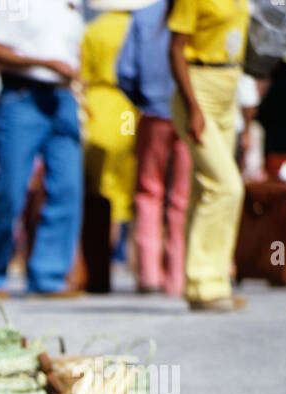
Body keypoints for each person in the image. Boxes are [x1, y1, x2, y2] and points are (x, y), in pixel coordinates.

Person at [0, 0, 86, 296]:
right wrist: (45, 63)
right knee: (10, 190)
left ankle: (49, 276)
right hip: (22, 97)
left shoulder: (73, 7)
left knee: (67, 188)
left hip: (63, 100)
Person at [168, 0, 251, 311]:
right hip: (198, 88)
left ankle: (210, 284)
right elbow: (175, 49)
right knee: (228, 187)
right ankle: (204, 282)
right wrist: (193, 107)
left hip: (228, 87)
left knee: (206, 188)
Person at [117, 0, 192, 296]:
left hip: (154, 114)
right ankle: (177, 276)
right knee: (181, 197)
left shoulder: (143, 16)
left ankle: (148, 274)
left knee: (149, 192)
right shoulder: (197, 9)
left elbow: (124, 71)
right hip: (189, 112)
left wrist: (145, 100)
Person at [83, 2, 141, 275]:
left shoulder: (93, 29)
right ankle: (123, 255)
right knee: (123, 181)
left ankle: (99, 260)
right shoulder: (137, 27)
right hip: (126, 109)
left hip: (97, 106)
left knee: (98, 183)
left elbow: (83, 74)